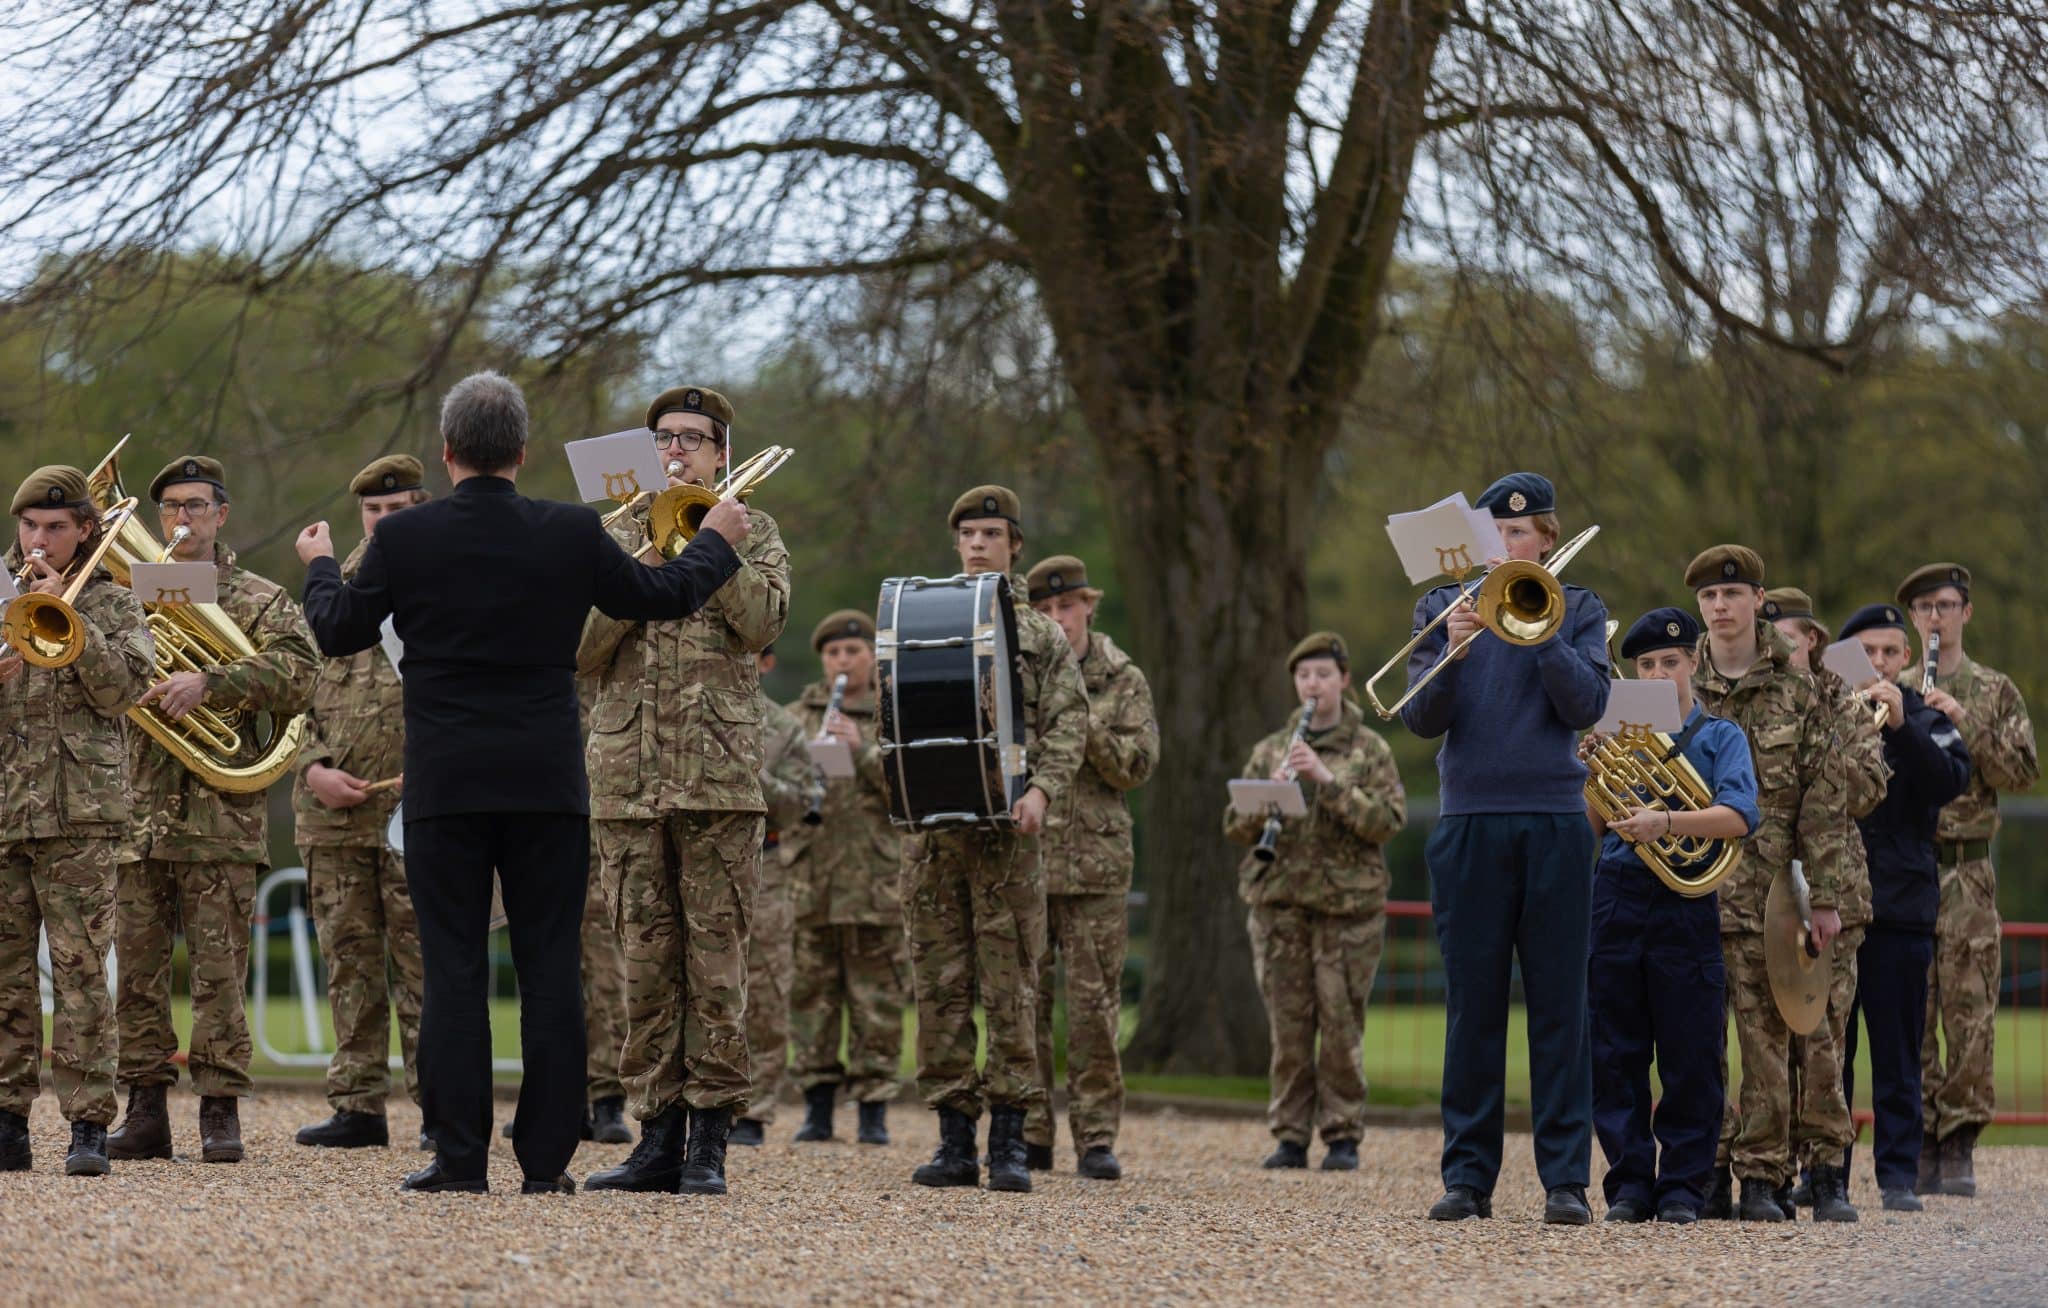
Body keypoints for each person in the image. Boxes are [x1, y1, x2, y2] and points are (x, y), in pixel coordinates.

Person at [295, 370, 750, 1195]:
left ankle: (459, 1159)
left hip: (446, 786)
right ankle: (546, 1164)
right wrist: (715, 536)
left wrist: (322, 562)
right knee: (548, 974)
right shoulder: (569, 532)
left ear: (447, 451)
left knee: (454, 972)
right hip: (546, 783)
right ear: (523, 452)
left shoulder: (404, 540)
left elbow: (335, 628)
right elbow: (665, 594)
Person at [576, 384, 790, 1197]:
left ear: (722, 454)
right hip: (629, 783)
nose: (677, 451)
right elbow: (580, 648)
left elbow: (763, 625)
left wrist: (715, 545)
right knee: (642, 963)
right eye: (664, 437)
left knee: (717, 964)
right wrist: (650, 562)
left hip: (719, 781)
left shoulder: (754, 529)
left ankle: (710, 1140)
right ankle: (654, 1135)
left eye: (694, 440)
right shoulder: (612, 534)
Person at [1401, 472, 1610, 1225]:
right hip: (1469, 823)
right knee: (1473, 1009)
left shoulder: (1579, 608)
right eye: (1494, 534)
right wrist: (1454, 650)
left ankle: (1565, 1182)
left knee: (1561, 1008)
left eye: (1518, 534)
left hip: (1556, 819)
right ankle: (1467, 1178)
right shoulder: (1441, 607)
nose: (1505, 545)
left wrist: (1544, 635)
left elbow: (1587, 704)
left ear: (1546, 540)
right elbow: (1420, 720)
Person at [110, 454, 318, 1166]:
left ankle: (220, 1110)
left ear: (221, 515)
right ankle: (142, 1110)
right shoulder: (122, 597)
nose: (181, 519)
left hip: (221, 820)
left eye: (196, 506)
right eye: (169, 507)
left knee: (220, 973)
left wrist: (214, 681)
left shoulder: (259, 598)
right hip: (135, 818)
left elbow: (302, 673)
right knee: (135, 974)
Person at [904, 485, 1086, 1195]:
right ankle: (954, 1139)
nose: (978, 543)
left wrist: (1040, 791)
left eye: (991, 533)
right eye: (968, 534)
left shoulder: (1038, 634)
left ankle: (1009, 1140)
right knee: (939, 989)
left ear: (1016, 546)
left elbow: (1071, 724)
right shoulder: (922, 617)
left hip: (1007, 840)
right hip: (934, 837)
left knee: (1012, 991)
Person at [0, 466, 156, 1176]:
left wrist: (74, 620)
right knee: (3, 976)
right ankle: (7, 1120)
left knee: (83, 974)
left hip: (81, 817)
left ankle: (89, 1123)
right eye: (30, 526)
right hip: (5, 811)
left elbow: (126, 691)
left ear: (85, 530)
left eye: (56, 527)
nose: (40, 540)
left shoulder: (116, 603)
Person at [1686, 546, 1846, 1222]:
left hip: (1770, 892)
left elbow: (1825, 801)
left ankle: (1761, 1175)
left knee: (1768, 1044)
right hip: (1687, 891)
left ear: (1758, 602)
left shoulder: (1799, 690)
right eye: (1709, 598)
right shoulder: (1674, 683)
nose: (1720, 607)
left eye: (1733, 595)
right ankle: (1705, 1172)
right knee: (1694, 1043)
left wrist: (1828, 899)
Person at [1583, 608, 1757, 1225]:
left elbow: (1739, 817)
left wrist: (1667, 822)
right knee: (1614, 1050)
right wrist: (1589, 771)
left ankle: (1683, 1187)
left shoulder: (1720, 737)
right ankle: (1630, 1185)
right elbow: (1592, 830)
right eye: (1646, 665)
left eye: (1670, 663)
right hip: (1618, 897)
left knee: (1691, 1053)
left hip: (1685, 902)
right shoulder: (1617, 733)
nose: (1658, 673)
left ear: (1693, 663)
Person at [291, 456, 429, 1152]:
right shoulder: (332, 588)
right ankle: (356, 1106)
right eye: (374, 513)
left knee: (426, 965)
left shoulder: (448, 579)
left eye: (398, 511)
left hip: (418, 806)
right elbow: (294, 698)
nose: (383, 523)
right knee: (348, 960)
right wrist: (311, 767)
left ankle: (442, 1108)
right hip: (334, 812)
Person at [1226, 632, 1401, 1174]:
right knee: (1290, 1028)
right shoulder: (1270, 749)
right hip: (1280, 908)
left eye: (1323, 675)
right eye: (1304, 676)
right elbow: (1234, 825)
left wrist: (1327, 781)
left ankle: (1343, 1134)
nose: (1313, 685)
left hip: (1347, 911)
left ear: (1344, 679)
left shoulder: (1369, 749)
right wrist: (1272, 793)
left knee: (1341, 1024)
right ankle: (1290, 1135)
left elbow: (1387, 822)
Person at [1899, 563, 2038, 1197]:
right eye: (1924, 606)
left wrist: (1964, 721)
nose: (1935, 616)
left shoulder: (1994, 688)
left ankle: (1959, 1140)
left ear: (1966, 613)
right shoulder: (1894, 688)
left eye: (1946, 605)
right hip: (1909, 867)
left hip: (1967, 870)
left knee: (1971, 1011)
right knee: (1911, 1008)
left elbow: (2022, 775)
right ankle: (1921, 1134)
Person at [1023, 555, 1158, 1181]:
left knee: (1094, 1011)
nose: (1058, 619)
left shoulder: (1121, 676)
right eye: (1045, 611)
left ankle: (1096, 1137)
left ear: (1088, 608)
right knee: (1023, 1007)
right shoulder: (1018, 674)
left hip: (1097, 868)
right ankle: (1029, 1133)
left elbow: (1137, 766)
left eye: (1067, 607)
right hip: (1027, 860)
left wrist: (1082, 718)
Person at [1838, 602, 1971, 1213]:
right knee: (1828, 1056)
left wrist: (1901, 726)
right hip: (1834, 910)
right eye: (1869, 652)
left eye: (1892, 652)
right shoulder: (1826, 717)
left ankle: (1896, 1176)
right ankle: (1827, 1178)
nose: (1881, 663)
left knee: (1898, 1055)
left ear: (1908, 659)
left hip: (1900, 909)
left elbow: (1948, 782)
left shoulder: (1928, 717)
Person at [1765, 586, 1884, 1222]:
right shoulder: (1757, 698)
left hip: (1837, 885)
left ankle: (1828, 1170)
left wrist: (1821, 763)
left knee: (1828, 1037)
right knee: (1765, 1040)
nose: (1779, 646)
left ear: (1813, 639)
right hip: (1764, 885)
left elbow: (1866, 791)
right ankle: (1770, 1171)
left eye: (1789, 634)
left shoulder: (1843, 701)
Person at [781, 610, 907, 1146]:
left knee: (877, 997)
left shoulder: (894, 712)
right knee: (812, 996)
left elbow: (909, 788)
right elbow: (777, 784)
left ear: (872, 657)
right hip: (812, 878)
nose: (842, 661)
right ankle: (816, 1107)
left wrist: (864, 750)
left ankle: (874, 1107)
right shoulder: (797, 716)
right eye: (833, 653)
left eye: (852, 652)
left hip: (876, 880)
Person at [731, 642, 818, 1146]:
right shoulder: (695, 711)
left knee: (766, 989)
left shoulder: (784, 728)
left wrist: (755, 774)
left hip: (766, 868)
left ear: (767, 663)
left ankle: (756, 1107)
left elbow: (801, 807)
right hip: (704, 867)